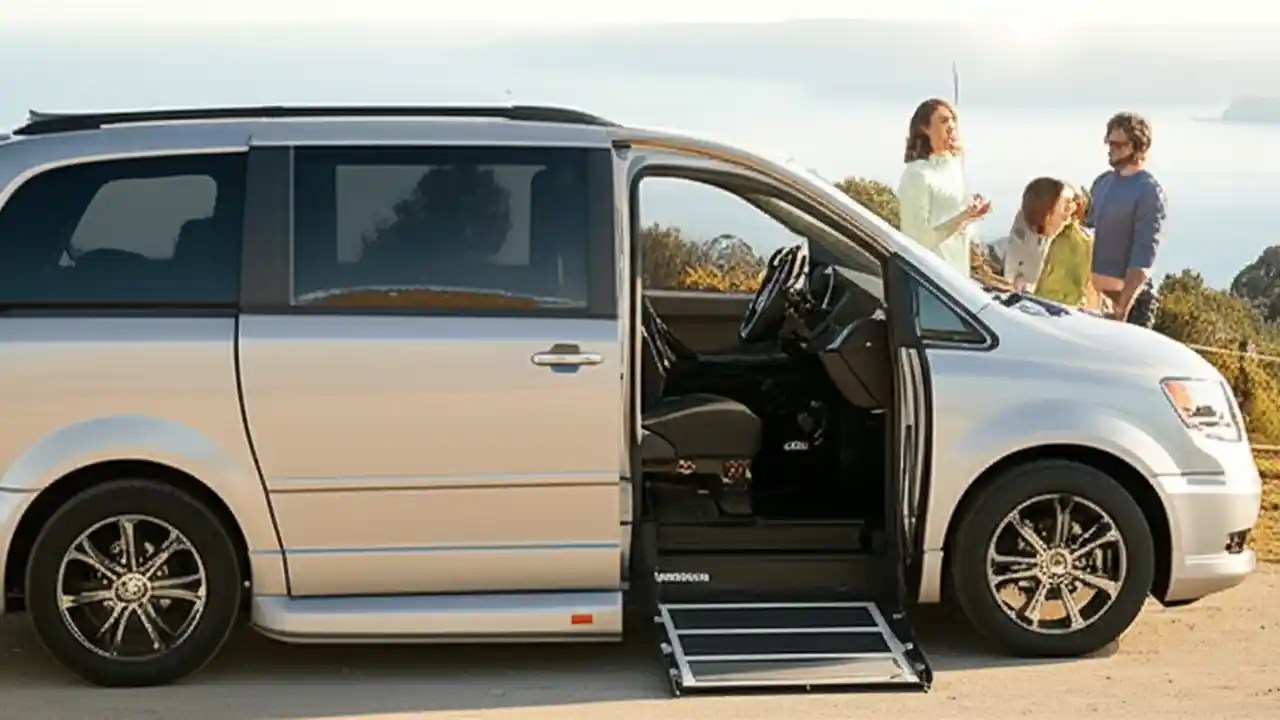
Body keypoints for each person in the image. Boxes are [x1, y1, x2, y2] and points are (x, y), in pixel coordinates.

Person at [1085, 111, 1167, 326]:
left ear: (1139, 147)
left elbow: (1143, 260)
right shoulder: (1101, 183)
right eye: (1109, 143)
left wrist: (1122, 310)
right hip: (1094, 300)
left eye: (1119, 145)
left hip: (1130, 307)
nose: (1111, 149)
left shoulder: (1149, 192)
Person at [897, 98, 991, 276]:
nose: (951, 125)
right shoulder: (916, 174)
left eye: (953, 120)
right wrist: (963, 217)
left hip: (960, 275)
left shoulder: (955, 167)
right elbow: (918, 238)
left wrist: (973, 214)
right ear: (925, 128)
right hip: (932, 276)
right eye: (943, 121)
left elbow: (959, 224)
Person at [1024, 179, 1095, 308]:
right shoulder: (1037, 240)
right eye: (1067, 203)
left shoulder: (1077, 242)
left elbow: (1086, 291)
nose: (1071, 208)